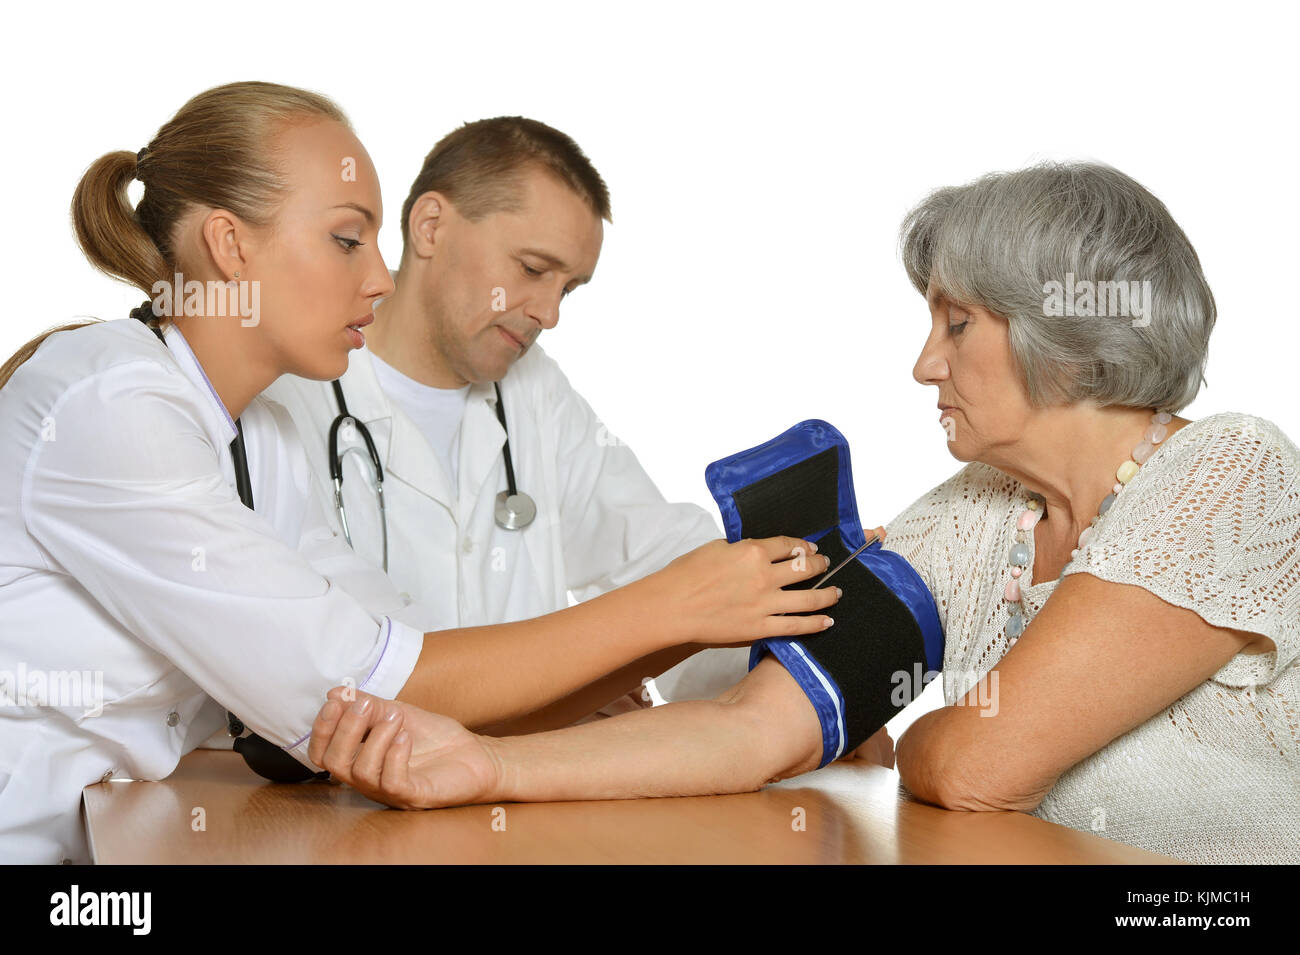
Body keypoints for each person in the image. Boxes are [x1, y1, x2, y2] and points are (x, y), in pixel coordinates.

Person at [310, 161, 1300, 865]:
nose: (924, 363)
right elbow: (753, 729)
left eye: (955, 323)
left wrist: (916, 739)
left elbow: (979, 766)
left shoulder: (1229, 470)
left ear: (1067, 327)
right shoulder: (980, 516)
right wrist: (485, 765)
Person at [0, 81, 840, 864]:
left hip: (108, 845)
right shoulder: (112, 405)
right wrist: (676, 603)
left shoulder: (266, 440)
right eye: (345, 238)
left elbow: (413, 691)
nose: (377, 273)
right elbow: (373, 678)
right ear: (229, 242)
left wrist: (699, 621)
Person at [262, 117, 751, 725]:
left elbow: (656, 555)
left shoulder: (533, 389)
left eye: (568, 288)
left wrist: (789, 684)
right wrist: (575, 693)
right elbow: (332, 668)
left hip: (506, 797)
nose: (548, 314)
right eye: (531, 269)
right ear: (431, 227)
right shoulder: (286, 393)